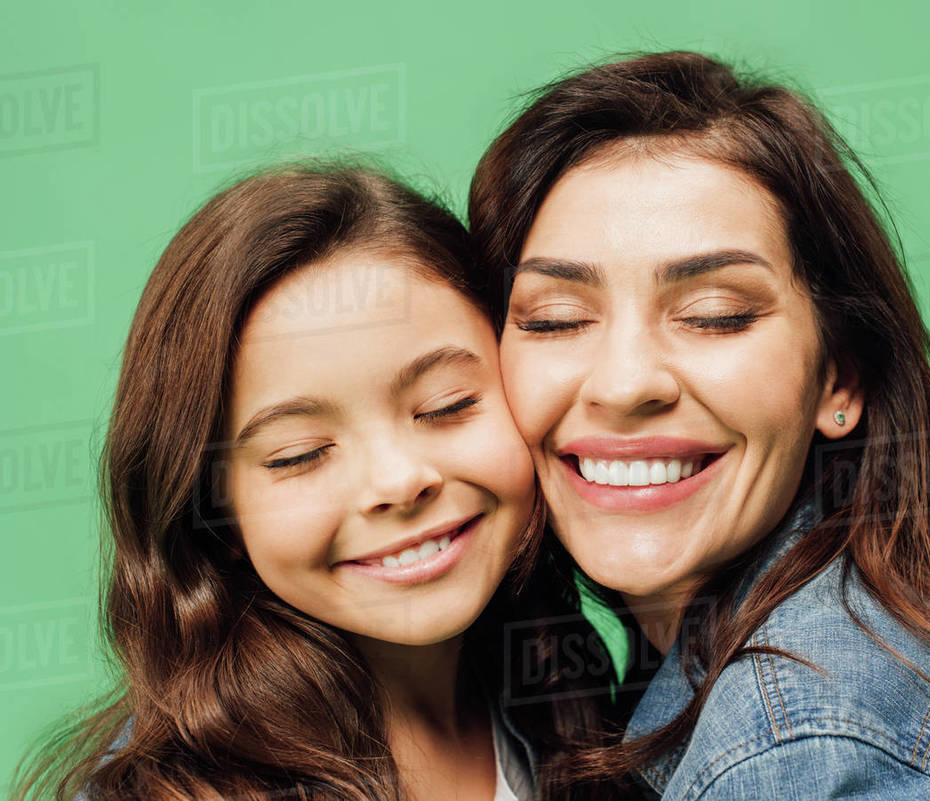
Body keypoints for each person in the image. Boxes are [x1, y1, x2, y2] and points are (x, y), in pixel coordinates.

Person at [468, 51, 930, 800]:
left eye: (716, 316)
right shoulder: (835, 638)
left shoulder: (800, 748)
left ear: (840, 378)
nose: (625, 383)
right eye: (555, 319)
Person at [10, 162, 595, 801]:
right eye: (300, 454)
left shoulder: (558, 701)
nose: (398, 482)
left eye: (445, 405)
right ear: (217, 512)